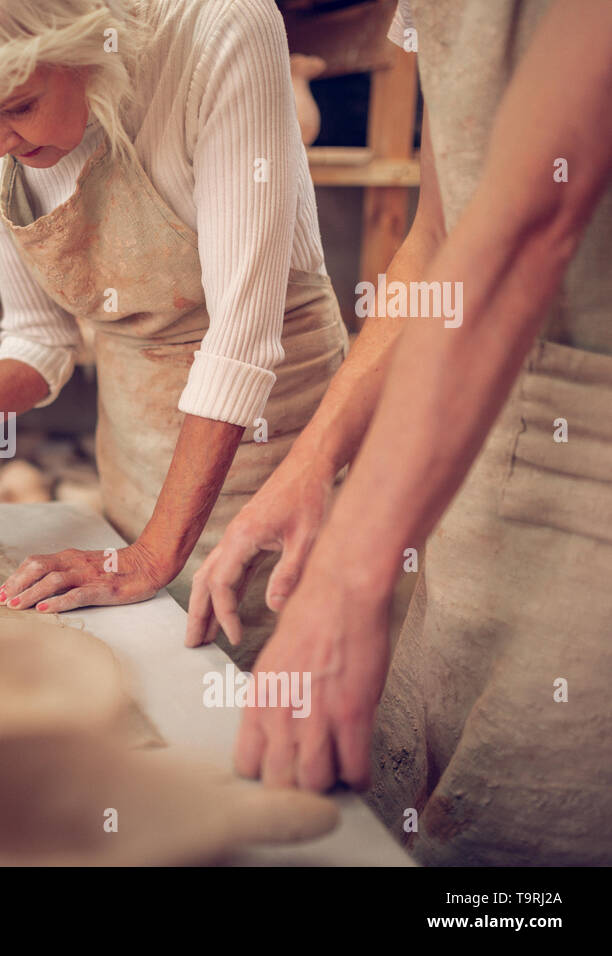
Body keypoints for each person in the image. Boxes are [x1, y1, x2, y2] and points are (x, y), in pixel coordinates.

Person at [189, 0, 612, 864]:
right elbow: (439, 240)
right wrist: (315, 462)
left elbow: (534, 217)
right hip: (465, 444)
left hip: (594, 484)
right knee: (409, 818)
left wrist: (349, 576)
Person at [0, 0, 348, 666]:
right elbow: (41, 335)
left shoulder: (220, 28)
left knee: (274, 707)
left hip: (276, 447)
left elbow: (241, 338)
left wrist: (150, 555)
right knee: (160, 692)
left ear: (84, 39)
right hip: (136, 468)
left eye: (17, 108)